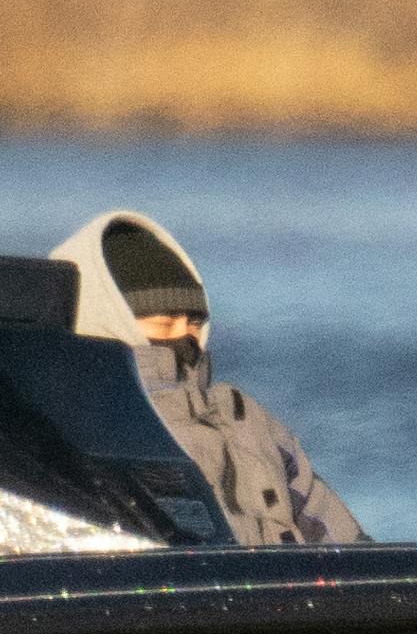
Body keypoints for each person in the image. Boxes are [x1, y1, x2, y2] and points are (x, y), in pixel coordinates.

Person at [56, 206, 362, 546]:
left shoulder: (245, 418)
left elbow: (349, 547)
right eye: (165, 323)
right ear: (107, 317)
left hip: (288, 593)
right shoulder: (86, 425)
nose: (185, 337)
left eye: (195, 323)